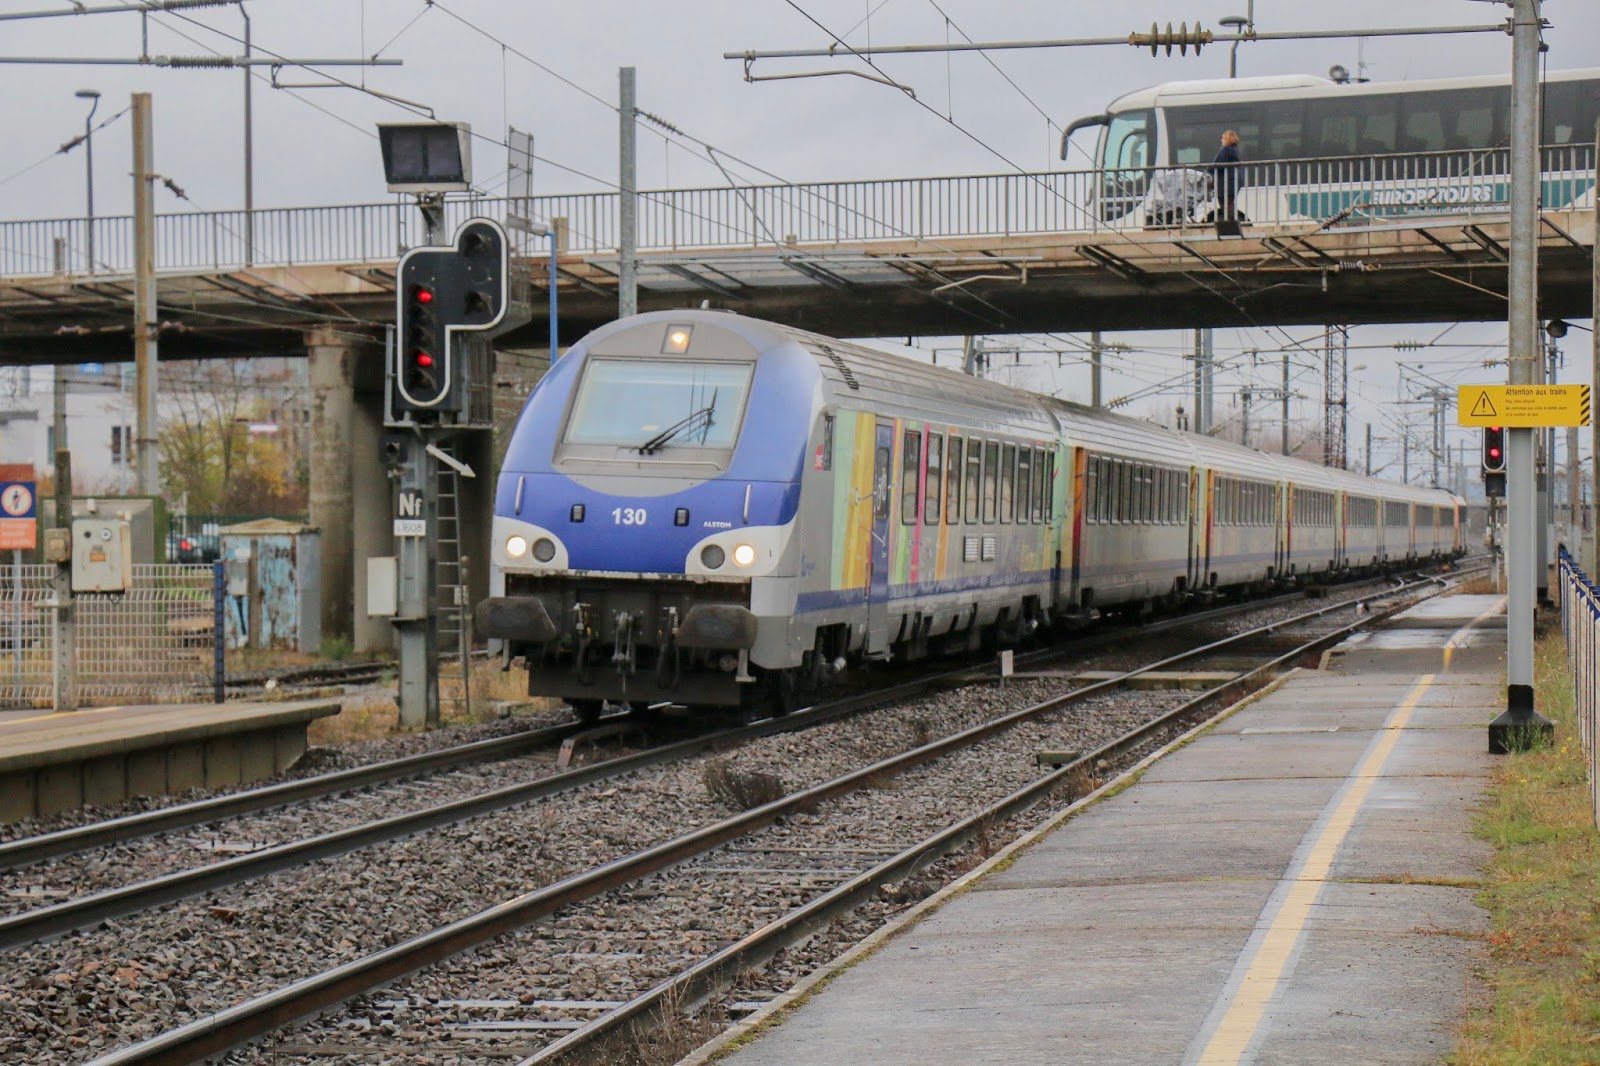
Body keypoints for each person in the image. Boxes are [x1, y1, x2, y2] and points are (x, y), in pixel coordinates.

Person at [1211, 129, 1243, 223]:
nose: (1221, 139)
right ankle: (1232, 221)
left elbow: (1217, 164)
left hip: (1225, 183)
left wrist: (1209, 170)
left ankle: (1231, 223)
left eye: (1223, 137)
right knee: (1229, 204)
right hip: (1234, 181)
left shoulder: (1225, 150)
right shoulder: (1235, 150)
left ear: (1226, 139)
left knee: (1225, 204)